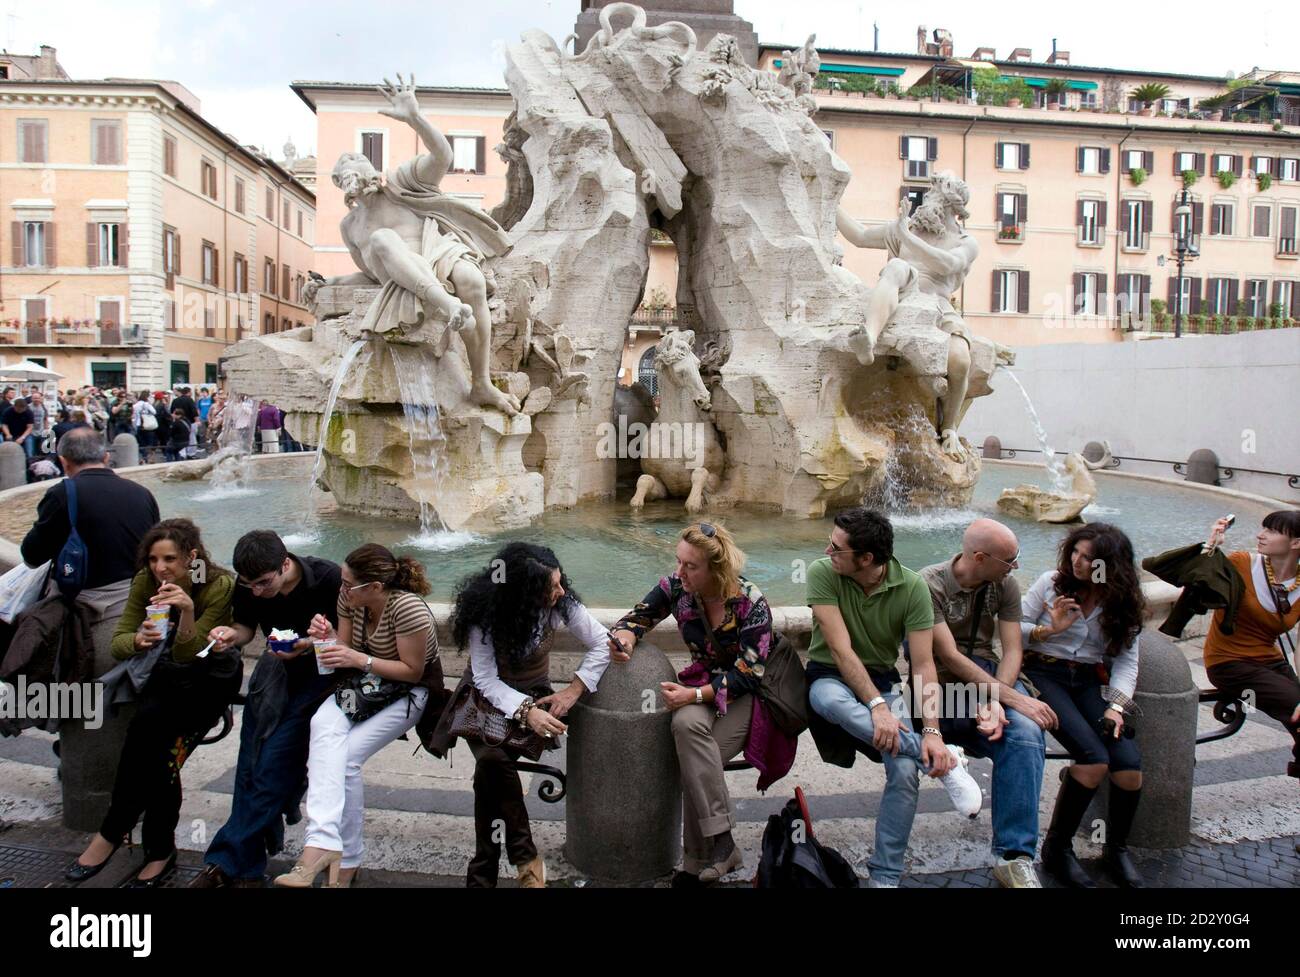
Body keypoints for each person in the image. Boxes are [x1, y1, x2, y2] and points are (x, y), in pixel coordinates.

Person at [805, 507, 982, 888]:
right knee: (834, 703)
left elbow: (922, 665)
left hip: (883, 681)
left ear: (866, 559)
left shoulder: (913, 587)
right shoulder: (824, 572)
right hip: (829, 677)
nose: (826, 550)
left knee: (904, 772)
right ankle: (943, 762)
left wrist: (933, 729)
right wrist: (879, 707)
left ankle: (885, 878)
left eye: (836, 547)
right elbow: (840, 650)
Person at [610, 522, 793, 886]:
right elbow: (636, 618)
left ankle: (696, 865)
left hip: (747, 695)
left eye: (690, 566)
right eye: (678, 562)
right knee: (686, 730)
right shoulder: (675, 587)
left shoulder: (751, 603)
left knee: (693, 754)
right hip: (703, 684)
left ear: (716, 570)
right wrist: (626, 637)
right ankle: (721, 843)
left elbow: (747, 675)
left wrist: (693, 696)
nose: (680, 572)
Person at [64, 519, 240, 887]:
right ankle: (158, 850)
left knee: (155, 752)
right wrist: (139, 639)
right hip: (165, 683)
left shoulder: (217, 584)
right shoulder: (146, 582)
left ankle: (113, 835)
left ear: (192, 557)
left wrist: (187, 611)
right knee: (153, 755)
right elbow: (118, 643)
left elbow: (192, 655)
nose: (160, 568)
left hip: (207, 684)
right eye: (153, 559)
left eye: (170, 559)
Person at [274, 545, 442, 888]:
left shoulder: (407, 608)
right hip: (367, 684)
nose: (341, 588)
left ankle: (345, 860)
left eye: (349, 583)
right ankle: (321, 844)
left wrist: (355, 658)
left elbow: (411, 671)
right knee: (322, 725)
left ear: (375, 588)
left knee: (345, 758)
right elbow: (345, 650)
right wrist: (325, 640)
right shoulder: (348, 599)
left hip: (412, 689)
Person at [446, 543, 610, 888]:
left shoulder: (562, 601)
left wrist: (571, 690)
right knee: (492, 760)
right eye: (552, 586)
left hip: (536, 692)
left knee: (490, 771)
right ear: (522, 591)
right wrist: (526, 713)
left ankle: (483, 875)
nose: (561, 591)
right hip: (483, 699)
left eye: (560, 581)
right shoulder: (484, 613)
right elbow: (486, 680)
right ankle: (525, 857)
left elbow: (602, 642)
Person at [191, 531, 343, 887]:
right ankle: (243, 863)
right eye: (250, 585)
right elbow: (246, 628)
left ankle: (224, 861)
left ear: (285, 564)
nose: (257, 591)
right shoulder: (248, 586)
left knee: (274, 762)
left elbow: (345, 638)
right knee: (250, 763)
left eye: (263, 583)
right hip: (274, 673)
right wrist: (229, 636)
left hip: (321, 675)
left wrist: (305, 644)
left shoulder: (328, 578)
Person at [921, 518, 1058, 888]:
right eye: (1010, 561)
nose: (1016, 567)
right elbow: (947, 656)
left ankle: (1014, 856)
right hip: (941, 685)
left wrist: (998, 700)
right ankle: (950, 754)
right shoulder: (927, 584)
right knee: (1021, 717)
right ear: (980, 557)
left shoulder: (1005, 584)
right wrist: (1005, 698)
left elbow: (1013, 648)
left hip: (990, 679)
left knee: (1026, 733)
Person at [1021, 523, 1145, 889]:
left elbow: (1126, 660)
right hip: (1044, 673)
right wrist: (1051, 630)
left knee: (1128, 767)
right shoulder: (1051, 583)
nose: (1077, 561)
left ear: (1111, 564)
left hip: (1089, 680)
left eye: (1088, 557)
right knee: (1093, 759)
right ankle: (1057, 849)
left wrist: (1116, 708)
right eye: (1075, 551)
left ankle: (1116, 849)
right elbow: (1014, 628)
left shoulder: (1122, 601)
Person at [1202, 512, 1300, 781]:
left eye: (1271, 531)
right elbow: (1197, 582)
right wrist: (1212, 544)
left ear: (1295, 543)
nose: (1261, 534)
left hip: (1269, 661)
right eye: (1263, 528)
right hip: (1229, 662)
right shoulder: (1241, 563)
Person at [21, 427, 159, 595]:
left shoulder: (61, 494)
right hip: (137, 595)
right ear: (106, 457)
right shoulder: (142, 493)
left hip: (83, 597)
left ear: (64, 462)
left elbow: (32, 556)